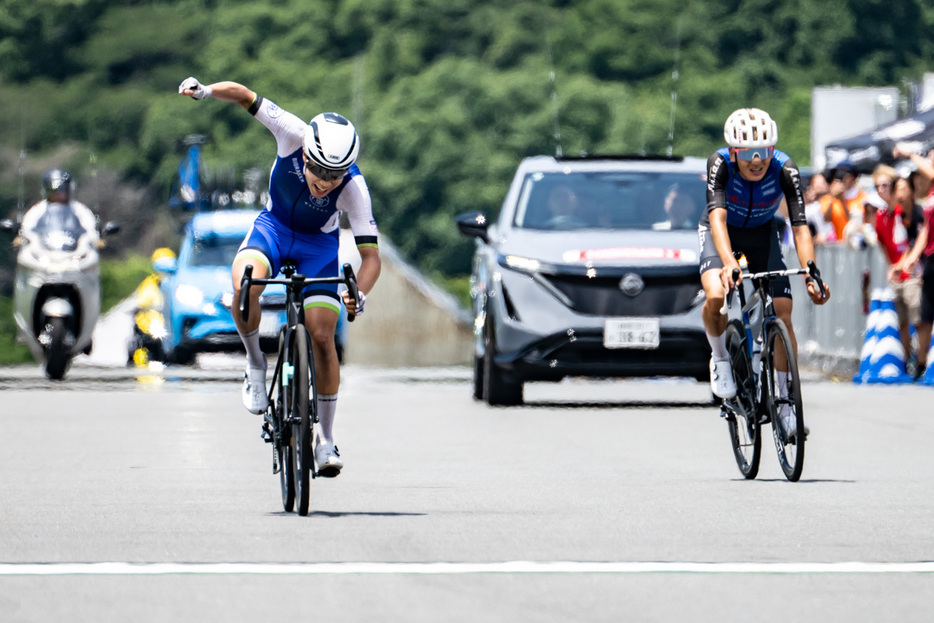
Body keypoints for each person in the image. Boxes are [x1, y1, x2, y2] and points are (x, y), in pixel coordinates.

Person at [178, 76, 381, 477]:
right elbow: (242, 95)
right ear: (305, 153)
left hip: (318, 250)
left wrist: (359, 292)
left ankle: (325, 439)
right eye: (320, 170)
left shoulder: (354, 188)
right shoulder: (292, 131)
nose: (326, 184)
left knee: (323, 335)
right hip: (272, 229)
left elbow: (371, 258)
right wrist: (204, 92)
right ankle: (255, 364)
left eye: (336, 175)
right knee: (245, 282)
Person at [700, 108, 830, 439]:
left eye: (764, 152)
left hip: (762, 235)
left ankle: (786, 406)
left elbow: (800, 226)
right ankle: (721, 358)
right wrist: (728, 262)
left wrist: (811, 273)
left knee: (783, 314)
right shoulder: (720, 164)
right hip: (723, 233)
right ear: (733, 152)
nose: (756, 160)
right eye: (746, 153)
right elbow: (716, 218)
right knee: (716, 294)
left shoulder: (785, 168)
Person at [878, 172, 926, 375]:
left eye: (903, 188)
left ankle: (921, 360)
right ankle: (909, 360)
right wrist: (896, 266)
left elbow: (916, 244)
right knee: (903, 321)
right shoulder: (898, 216)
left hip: (916, 275)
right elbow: (900, 245)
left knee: (919, 317)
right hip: (900, 274)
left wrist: (905, 264)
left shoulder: (919, 212)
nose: (900, 193)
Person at [16, 169, 100, 251]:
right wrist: (22, 237)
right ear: (46, 191)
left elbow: (90, 229)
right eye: (53, 191)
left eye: (62, 190)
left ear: (69, 190)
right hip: (44, 252)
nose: (58, 194)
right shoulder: (38, 209)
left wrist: (95, 239)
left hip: (74, 253)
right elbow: (27, 228)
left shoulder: (79, 209)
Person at [821, 162, 866, 242]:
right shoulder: (828, 199)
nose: (843, 179)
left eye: (846, 175)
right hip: (839, 246)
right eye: (839, 175)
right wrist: (833, 198)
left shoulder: (862, 198)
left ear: (854, 177)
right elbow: (826, 219)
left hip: (856, 245)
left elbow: (854, 221)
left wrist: (842, 200)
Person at [803, 171, 835, 244]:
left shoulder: (833, 202)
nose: (818, 189)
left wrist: (827, 236)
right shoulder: (811, 209)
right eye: (815, 186)